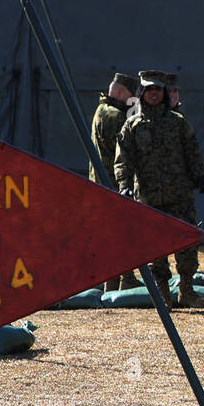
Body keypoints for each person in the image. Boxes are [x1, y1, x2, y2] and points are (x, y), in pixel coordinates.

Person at [115, 70, 204, 309]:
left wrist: (200, 177)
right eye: (149, 90)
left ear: (164, 93)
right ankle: (163, 295)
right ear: (142, 93)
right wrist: (124, 186)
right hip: (149, 197)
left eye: (158, 90)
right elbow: (123, 160)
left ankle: (186, 291)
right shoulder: (133, 125)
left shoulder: (177, 122)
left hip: (179, 194)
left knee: (187, 242)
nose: (154, 94)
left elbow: (192, 152)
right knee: (155, 246)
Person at [92, 72, 140, 292]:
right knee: (122, 233)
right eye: (131, 96)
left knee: (110, 234)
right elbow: (124, 150)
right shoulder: (115, 116)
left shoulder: (101, 110)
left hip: (100, 182)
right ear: (121, 93)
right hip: (113, 182)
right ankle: (125, 279)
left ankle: (111, 282)